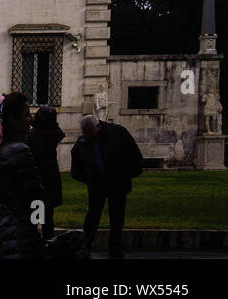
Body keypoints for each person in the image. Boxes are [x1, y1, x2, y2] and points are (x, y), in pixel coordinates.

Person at [0, 92, 45, 259]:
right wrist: (38, 229)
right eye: (26, 115)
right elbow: (35, 198)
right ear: (12, 120)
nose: (31, 120)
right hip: (15, 239)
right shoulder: (19, 151)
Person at [72, 114, 143, 258]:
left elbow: (135, 156)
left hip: (117, 183)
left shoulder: (117, 133)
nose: (88, 136)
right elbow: (76, 165)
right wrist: (89, 180)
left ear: (97, 127)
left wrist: (126, 176)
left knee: (116, 217)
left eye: (90, 133)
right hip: (99, 184)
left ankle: (115, 248)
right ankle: (87, 245)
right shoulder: (86, 140)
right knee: (93, 216)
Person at [27, 105, 65, 240]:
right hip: (50, 175)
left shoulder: (33, 135)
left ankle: (33, 240)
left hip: (37, 176)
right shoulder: (54, 134)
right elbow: (59, 132)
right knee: (48, 215)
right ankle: (47, 240)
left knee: (35, 212)